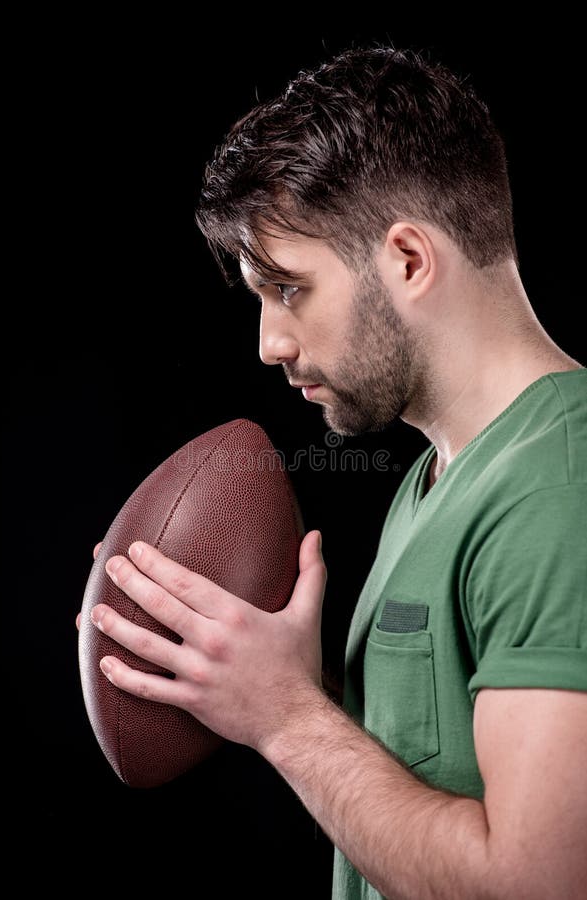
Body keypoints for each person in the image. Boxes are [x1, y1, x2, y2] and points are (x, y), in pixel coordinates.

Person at [80, 46, 587, 898]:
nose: (269, 345)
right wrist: (232, 668)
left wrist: (286, 717)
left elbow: (536, 882)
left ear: (408, 260)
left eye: (288, 289)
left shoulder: (555, 491)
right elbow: (426, 781)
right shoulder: (434, 481)